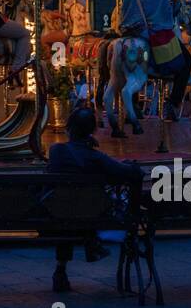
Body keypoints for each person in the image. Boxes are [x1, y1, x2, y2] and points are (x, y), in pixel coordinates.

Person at [46, 106, 144, 292]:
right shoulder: (95, 157)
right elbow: (127, 172)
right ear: (92, 131)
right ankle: (91, 241)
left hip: (56, 216)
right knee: (85, 205)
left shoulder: (56, 151)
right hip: (89, 215)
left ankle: (61, 268)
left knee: (67, 207)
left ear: (69, 128)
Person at [119, 0, 191, 121]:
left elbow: (124, 0)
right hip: (151, 32)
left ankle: (133, 104)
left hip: (129, 33)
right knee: (187, 61)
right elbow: (164, 12)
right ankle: (173, 104)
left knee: (131, 70)